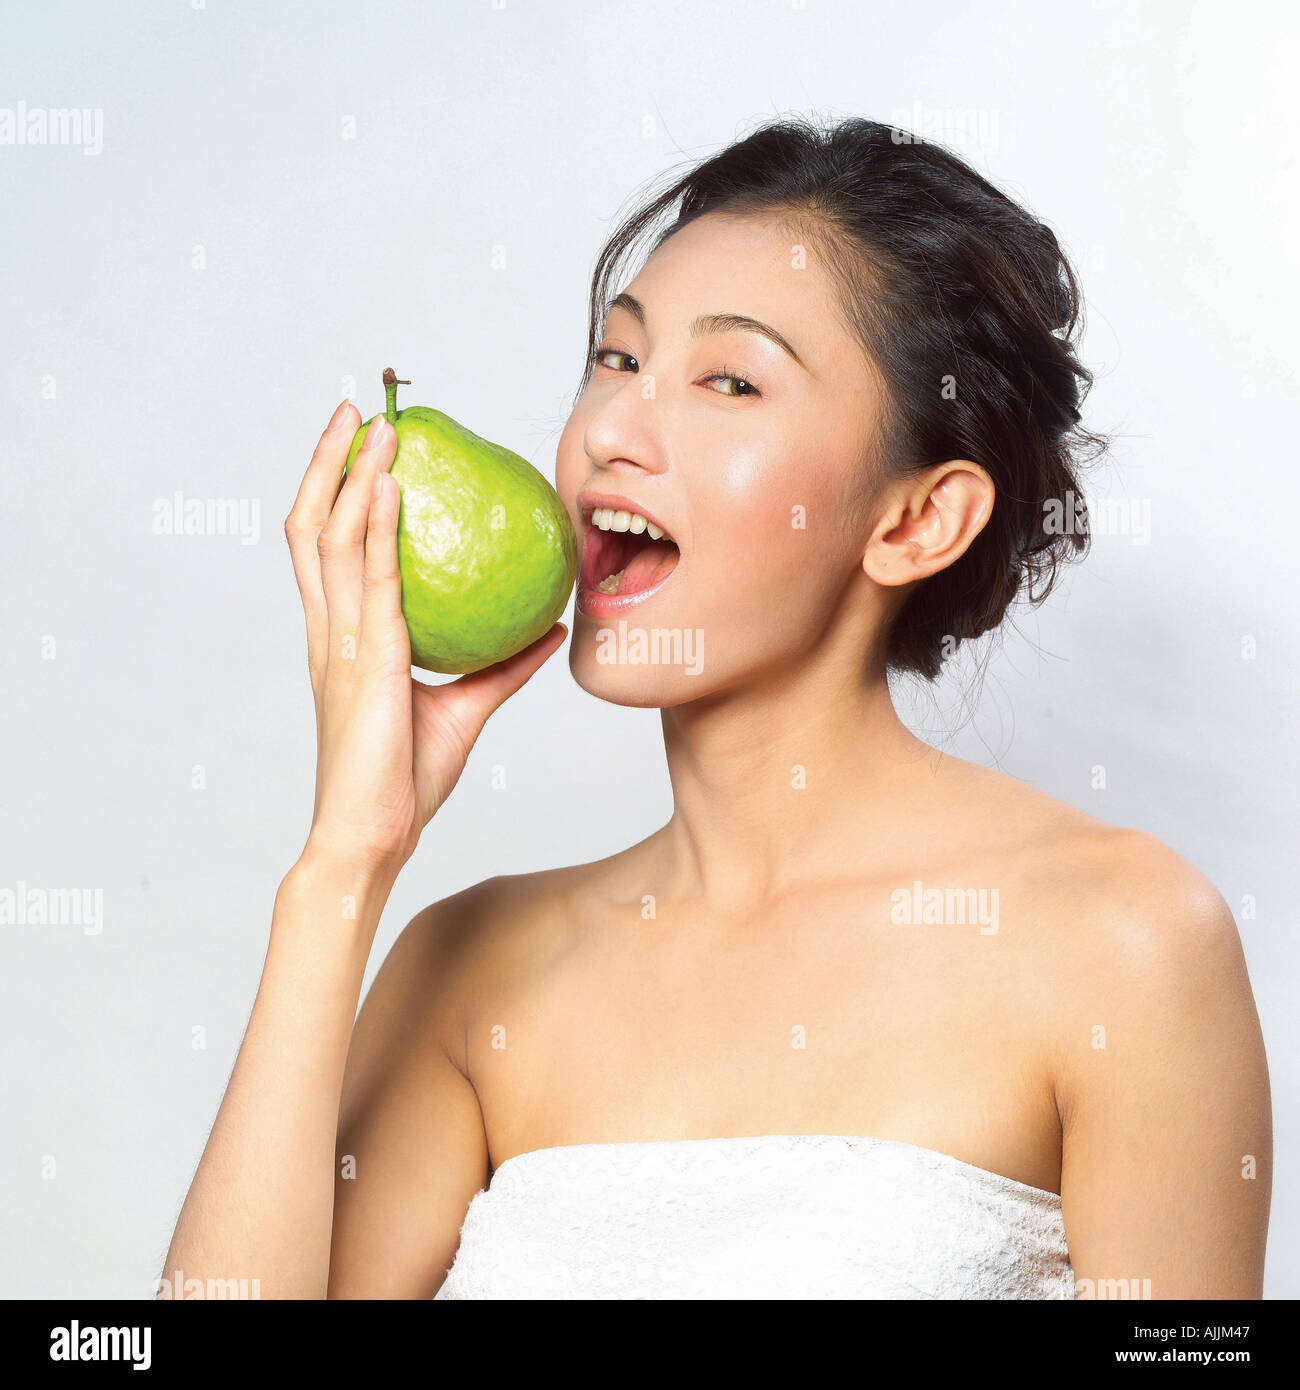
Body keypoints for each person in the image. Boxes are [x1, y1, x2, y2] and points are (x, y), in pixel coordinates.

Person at [161, 117, 1271, 1299]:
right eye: (617, 360)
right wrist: (345, 862)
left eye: (730, 380)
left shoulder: (1125, 943)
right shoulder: (464, 968)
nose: (610, 433)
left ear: (916, 520)